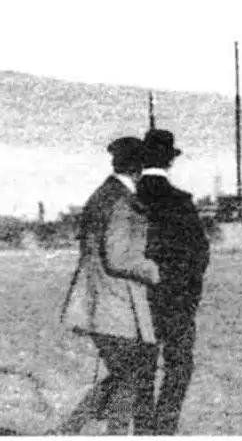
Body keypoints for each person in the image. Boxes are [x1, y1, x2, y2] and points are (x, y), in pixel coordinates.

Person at [57, 137, 161, 434]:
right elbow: (117, 258)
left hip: (99, 300)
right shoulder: (121, 202)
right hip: (111, 302)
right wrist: (156, 270)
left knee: (125, 373)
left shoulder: (104, 194)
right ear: (139, 169)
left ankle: (71, 431)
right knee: (130, 373)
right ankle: (85, 432)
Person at [135, 128, 211, 435]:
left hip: (137, 298)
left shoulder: (129, 200)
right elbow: (200, 253)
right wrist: (189, 295)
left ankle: (140, 430)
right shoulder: (181, 202)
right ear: (170, 163)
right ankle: (163, 429)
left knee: (141, 369)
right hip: (177, 299)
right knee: (179, 366)